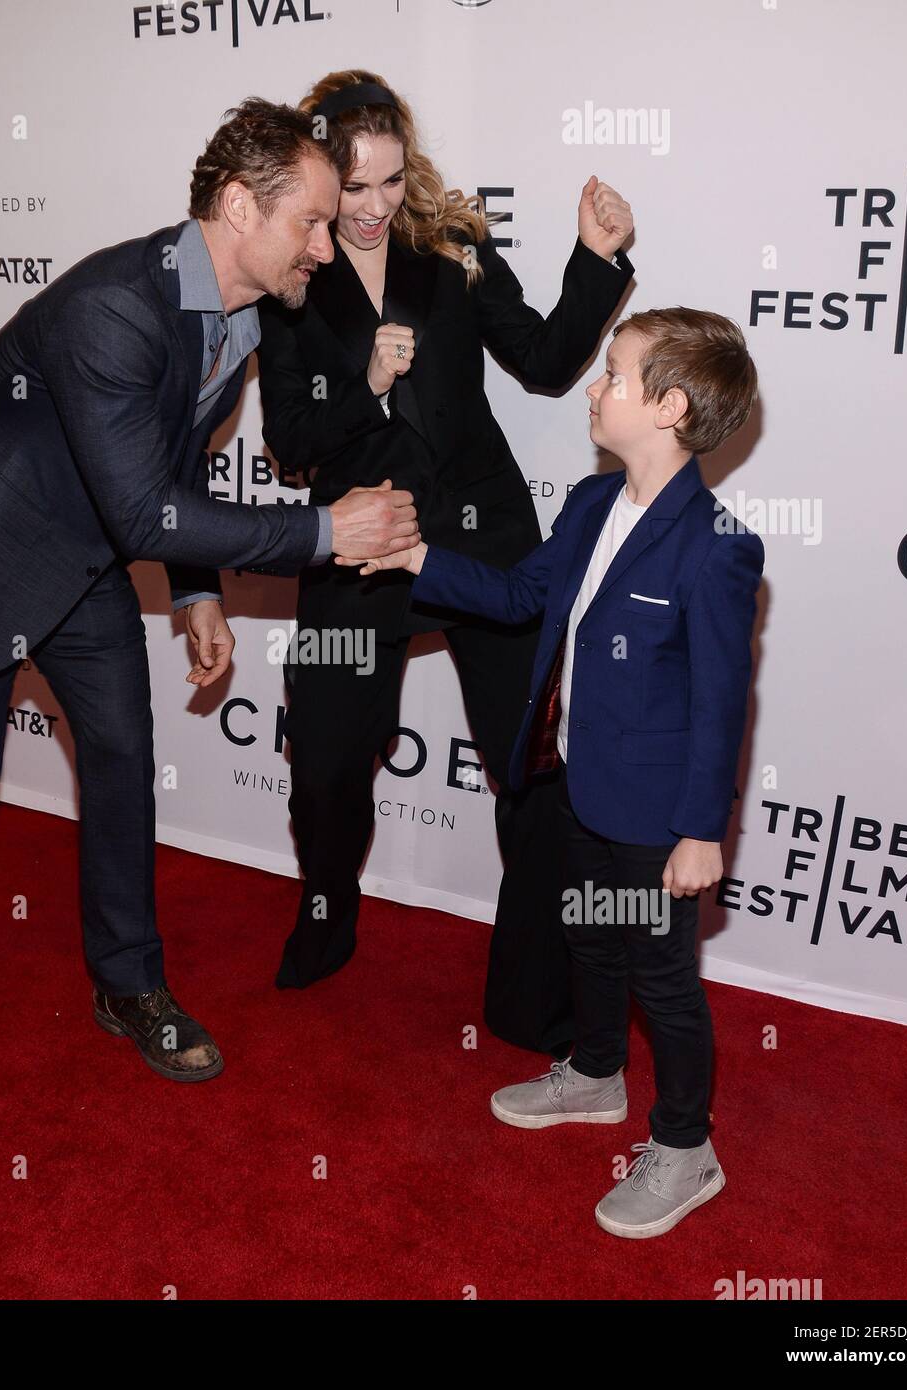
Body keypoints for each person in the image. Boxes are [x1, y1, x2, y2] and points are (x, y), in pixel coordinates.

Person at [0, 98, 421, 1084]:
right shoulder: (113, 308)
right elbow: (144, 516)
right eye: (314, 222)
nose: (327, 250)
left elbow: (176, 465)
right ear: (242, 208)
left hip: (80, 559)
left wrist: (197, 592)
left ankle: (127, 982)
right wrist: (328, 530)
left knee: (123, 757)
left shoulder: (243, 314)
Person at [343, 307, 762, 1237]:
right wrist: (417, 556)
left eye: (614, 373)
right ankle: (598, 1074)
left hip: (656, 816)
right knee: (589, 940)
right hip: (572, 780)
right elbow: (522, 596)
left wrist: (701, 831)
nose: (594, 387)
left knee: (664, 979)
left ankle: (688, 1148)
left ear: (669, 406)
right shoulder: (586, 504)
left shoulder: (720, 546)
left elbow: (721, 705)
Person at [256, 69, 634, 1056]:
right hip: (361, 543)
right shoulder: (290, 279)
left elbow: (547, 363)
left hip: (481, 535)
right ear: (316, 179)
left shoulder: (453, 250)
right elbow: (290, 439)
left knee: (531, 765)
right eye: (353, 186)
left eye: (390, 180)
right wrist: (368, 383)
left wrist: (594, 261)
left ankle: (534, 983)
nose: (374, 206)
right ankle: (327, 913)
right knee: (329, 764)